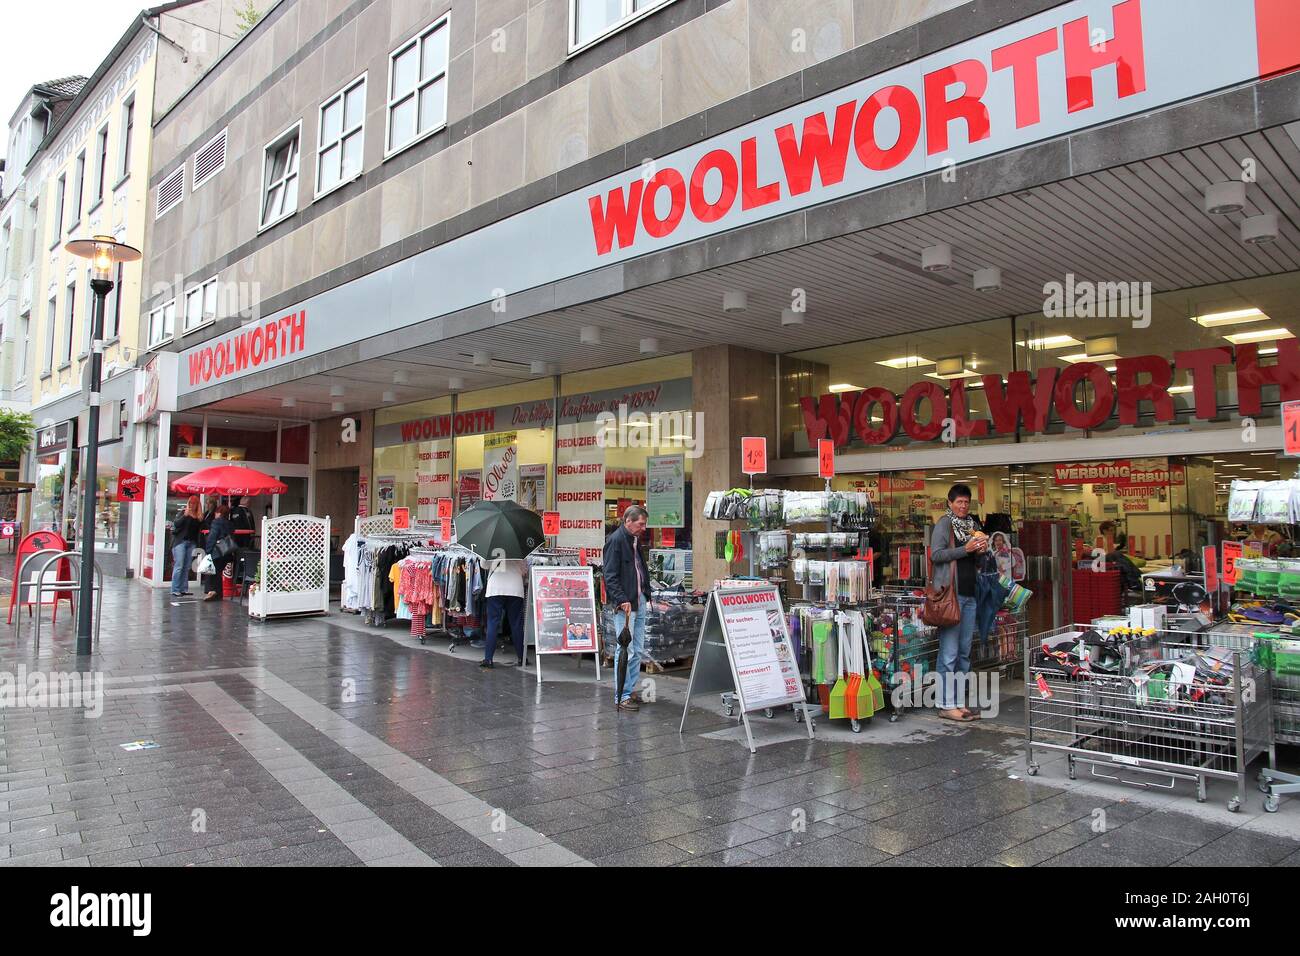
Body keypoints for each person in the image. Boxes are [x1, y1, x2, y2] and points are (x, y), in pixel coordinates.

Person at [929, 484, 987, 722]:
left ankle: (959, 702)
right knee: (949, 652)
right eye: (959, 502)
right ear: (950, 503)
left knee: (964, 653)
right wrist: (966, 549)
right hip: (951, 596)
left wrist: (981, 549)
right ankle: (945, 704)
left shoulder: (973, 524)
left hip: (970, 594)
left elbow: (975, 558)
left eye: (966, 502)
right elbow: (937, 554)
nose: (963, 506)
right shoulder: (944, 523)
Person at [603, 505, 651, 712]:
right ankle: (621, 695)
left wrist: (645, 594)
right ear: (628, 521)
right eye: (641, 524)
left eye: (644, 524)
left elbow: (639, 570)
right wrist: (621, 599)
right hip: (627, 604)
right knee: (627, 651)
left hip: (637, 600)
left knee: (637, 650)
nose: (644, 528)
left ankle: (629, 690)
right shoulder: (615, 541)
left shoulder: (633, 540)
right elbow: (610, 575)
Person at [481, 557, 527, 669]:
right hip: (515, 587)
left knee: (493, 623)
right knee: (516, 624)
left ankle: (488, 659)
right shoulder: (519, 548)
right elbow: (524, 570)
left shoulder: (491, 545)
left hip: (495, 588)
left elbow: (484, 565)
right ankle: (521, 657)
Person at [171, 496, 203, 597]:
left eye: (194, 503)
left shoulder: (199, 517)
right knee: (179, 566)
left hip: (191, 543)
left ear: (198, 505)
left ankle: (183, 589)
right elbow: (176, 524)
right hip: (181, 542)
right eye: (190, 503)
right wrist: (185, 515)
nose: (192, 505)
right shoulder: (183, 512)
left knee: (186, 567)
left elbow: (199, 530)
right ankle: (175, 589)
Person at [203, 504, 235, 601]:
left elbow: (212, 537)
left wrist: (208, 550)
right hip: (226, 552)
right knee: (218, 571)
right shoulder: (230, 524)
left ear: (219, 513)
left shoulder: (216, 522)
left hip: (216, 551)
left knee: (210, 571)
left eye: (216, 512)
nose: (215, 514)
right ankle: (219, 593)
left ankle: (211, 592)